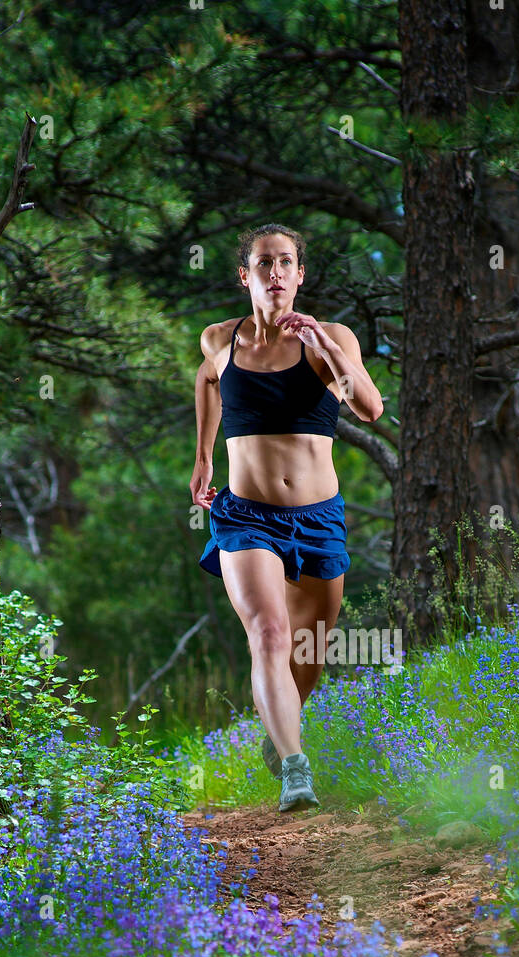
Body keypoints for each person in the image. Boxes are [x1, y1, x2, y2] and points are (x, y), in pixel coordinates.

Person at [191, 223, 384, 812]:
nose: (275, 272)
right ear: (246, 276)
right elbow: (207, 382)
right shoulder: (219, 340)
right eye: (263, 263)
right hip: (245, 517)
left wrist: (322, 344)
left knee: (308, 651)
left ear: (299, 275)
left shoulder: (333, 338)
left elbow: (369, 407)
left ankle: (281, 731)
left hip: (319, 518)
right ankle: (296, 770)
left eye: (286, 263)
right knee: (269, 634)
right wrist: (202, 455)